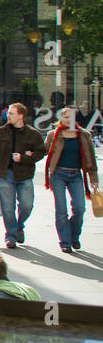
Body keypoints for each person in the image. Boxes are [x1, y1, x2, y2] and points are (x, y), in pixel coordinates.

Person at [0, 102, 46, 250]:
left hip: (24, 175)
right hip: (6, 174)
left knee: (27, 205)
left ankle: (19, 226)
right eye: (8, 113)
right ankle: (11, 236)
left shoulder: (33, 133)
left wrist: (24, 158)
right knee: (7, 208)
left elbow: (41, 152)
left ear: (21, 116)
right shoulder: (2, 131)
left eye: (11, 113)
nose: (8, 115)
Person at [43, 107, 98, 253]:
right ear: (61, 119)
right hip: (58, 174)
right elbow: (42, 151)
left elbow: (90, 158)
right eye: (66, 117)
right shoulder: (53, 135)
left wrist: (93, 178)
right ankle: (65, 241)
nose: (69, 119)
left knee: (80, 207)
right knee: (61, 210)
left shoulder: (84, 135)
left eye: (71, 117)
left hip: (76, 175)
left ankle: (74, 236)